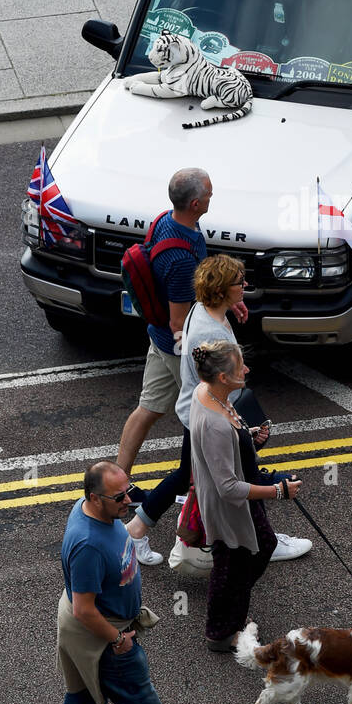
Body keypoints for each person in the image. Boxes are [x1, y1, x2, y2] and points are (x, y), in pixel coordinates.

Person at [124, 253, 312, 568]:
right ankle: (263, 541)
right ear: (222, 289)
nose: (246, 285)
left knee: (192, 474)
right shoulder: (208, 334)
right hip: (209, 414)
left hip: (202, 411)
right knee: (237, 474)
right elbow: (215, 382)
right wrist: (234, 426)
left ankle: (138, 528)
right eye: (240, 283)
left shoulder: (204, 309)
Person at [116, 167, 246, 566]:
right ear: (195, 203)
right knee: (198, 454)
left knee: (148, 410)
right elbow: (180, 324)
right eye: (209, 192)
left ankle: (117, 489)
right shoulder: (176, 259)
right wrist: (203, 384)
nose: (212, 195)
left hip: (159, 340)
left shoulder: (170, 221)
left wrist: (226, 302)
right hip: (175, 348)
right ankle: (141, 524)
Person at [47, 460, 190, 704]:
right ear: (95, 498)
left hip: (95, 627)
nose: (129, 500)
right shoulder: (88, 544)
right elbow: (84, 608)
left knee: (82, 701)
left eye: (129, 490)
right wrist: (116, 639)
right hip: (102, 635)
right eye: (119, 496)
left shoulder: (92, 512)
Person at [188, 340, 304, 651]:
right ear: (223, 377)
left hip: (240, 502)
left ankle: (232, 611)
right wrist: (278, 492)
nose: (247, 369)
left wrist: (247, 436)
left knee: (252, 552)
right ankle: (220, 633)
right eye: (241, 367)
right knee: (234, 564)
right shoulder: (214, 423)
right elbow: (228, 486)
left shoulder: (210, 394)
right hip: (230, 507)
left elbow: (225, 446)